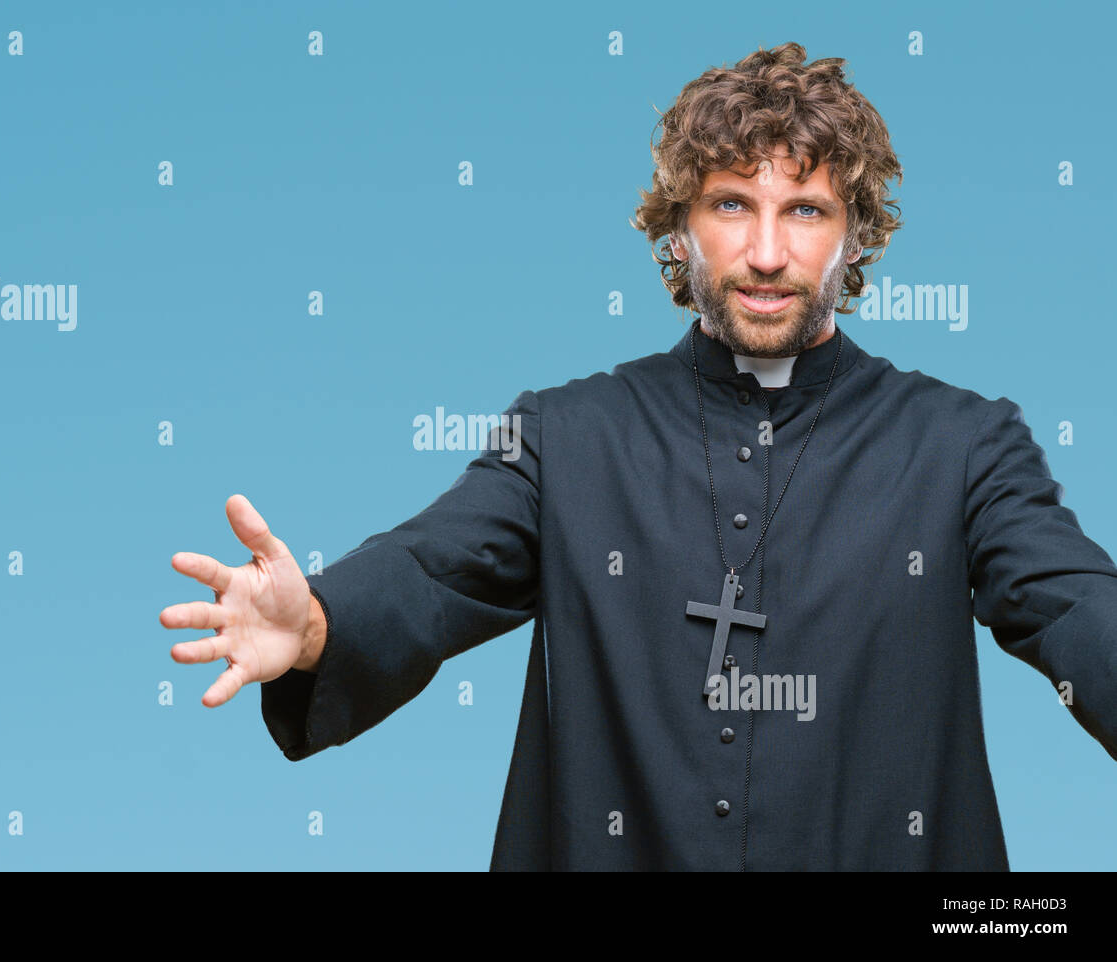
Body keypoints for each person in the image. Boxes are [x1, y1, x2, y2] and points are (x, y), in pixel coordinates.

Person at [159, 42, 1117, 870]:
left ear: (855, 233)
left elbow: (1073, 602)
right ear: (679, 227)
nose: (770, 253)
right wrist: (320, 620)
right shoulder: (567, 435)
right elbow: (431, 566)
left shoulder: (961, 442)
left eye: (809, 211)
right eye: (733, 205)